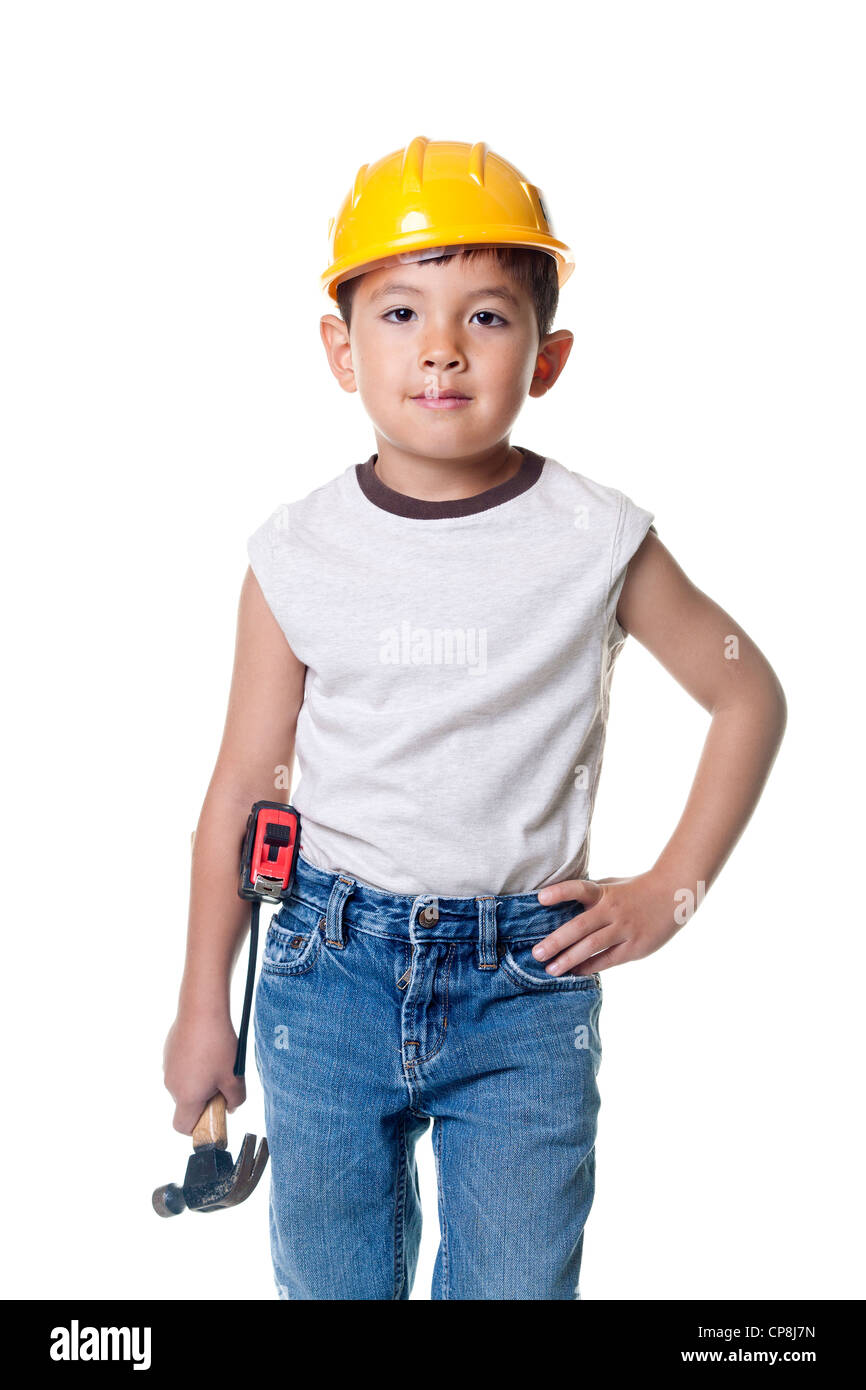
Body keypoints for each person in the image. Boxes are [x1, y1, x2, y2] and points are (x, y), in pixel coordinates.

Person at [162, 136, 787, 1300]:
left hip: (523, 994)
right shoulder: (294, 556)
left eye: (486, 318)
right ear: (339, 350)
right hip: (324, 974)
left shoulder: (595, 539)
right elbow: (245, 787)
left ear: (545, 358)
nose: (441, 348)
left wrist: (671, 889)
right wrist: (206, 1003)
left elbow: (742, 690)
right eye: (399, 312)